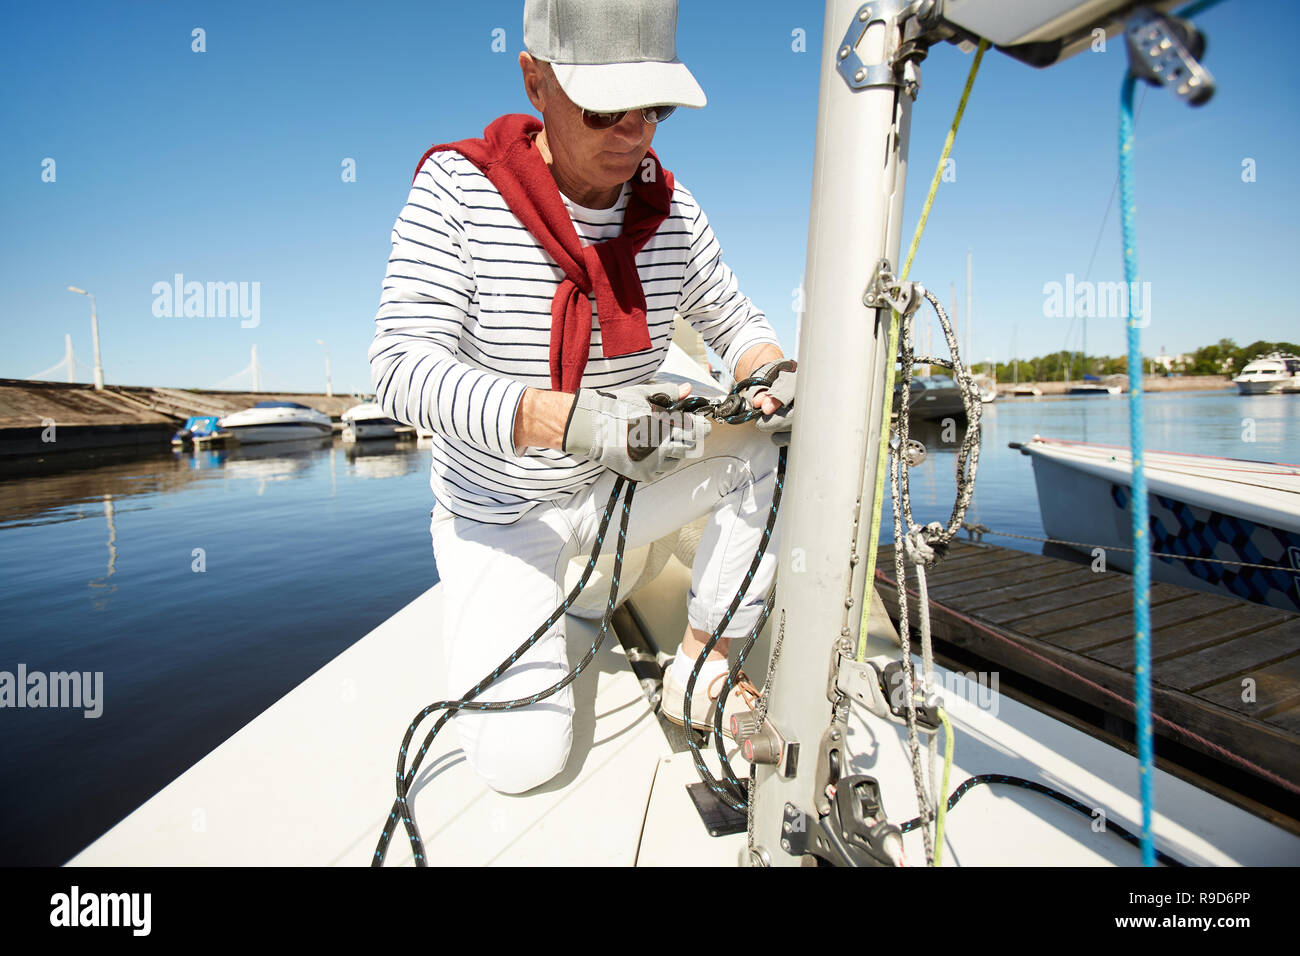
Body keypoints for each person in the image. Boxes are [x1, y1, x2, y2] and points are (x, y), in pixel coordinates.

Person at [368, 0, 796, 794]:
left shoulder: (671, 211)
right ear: (536, 81)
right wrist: (571, 421)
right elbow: (399, 365)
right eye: (606, 112)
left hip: (610, 488)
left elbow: (736, 323)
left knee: (769, 450)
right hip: (498, 515)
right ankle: (555, 600)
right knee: (521, 767)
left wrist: (769, 373)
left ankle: (703, 663)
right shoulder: (459, 190)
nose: (636, 137)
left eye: (655, 110)